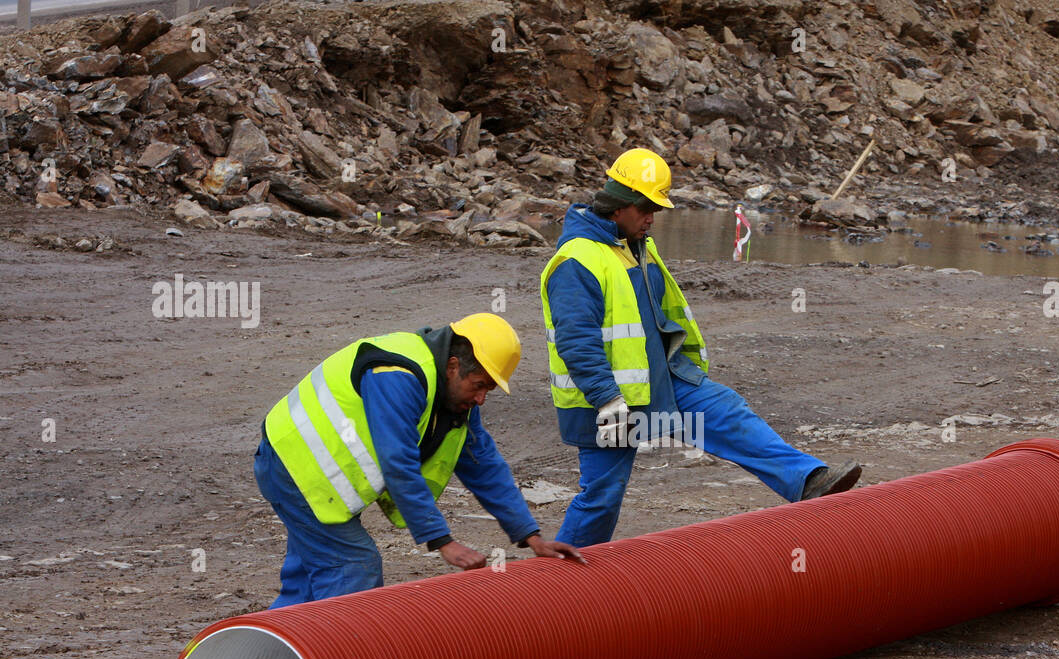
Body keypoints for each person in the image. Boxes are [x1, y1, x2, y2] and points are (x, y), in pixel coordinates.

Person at [539, 147, 862, 547]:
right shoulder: (577, 260)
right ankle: (559, 577)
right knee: (602, 496)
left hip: (663, 379)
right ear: (619, 206)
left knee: (727, 412)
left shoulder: (636, 245)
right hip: (606, 403)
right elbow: (576, 338)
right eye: (645, 208)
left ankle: (807, 480)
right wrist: (607, 399)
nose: (651, 218)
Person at [254, 313, 585, 607]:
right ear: (454, 365)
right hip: (295, 465)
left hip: (312, 471)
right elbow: (397, 461)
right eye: (479, 385)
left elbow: (483, 463)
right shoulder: (398, 374)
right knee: (352, 567)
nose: (482, 399)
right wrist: (441, 540)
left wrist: (530, 535)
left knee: (306, 588)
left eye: (490, 390)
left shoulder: (454, 399)